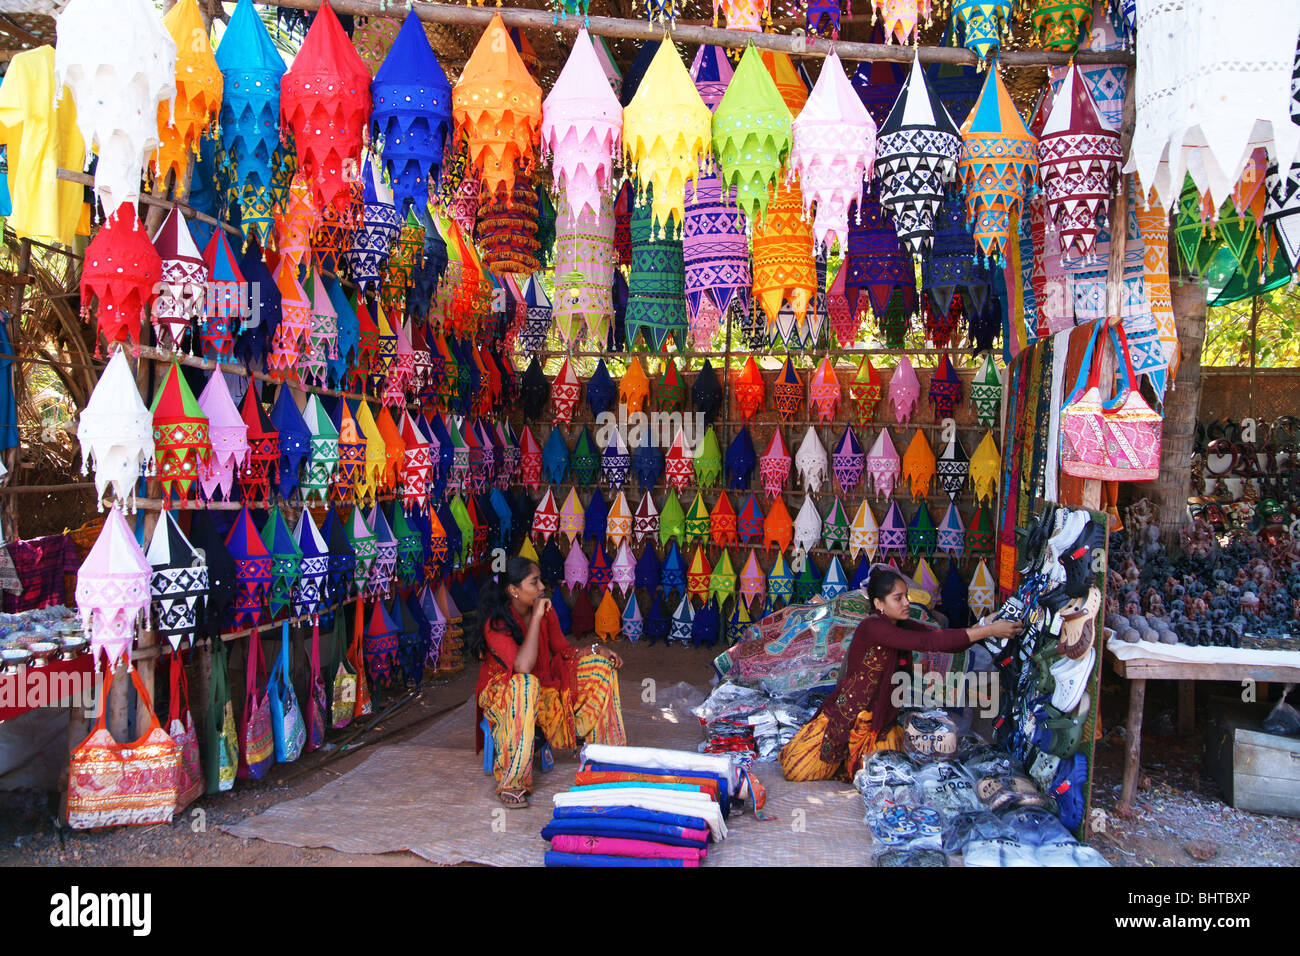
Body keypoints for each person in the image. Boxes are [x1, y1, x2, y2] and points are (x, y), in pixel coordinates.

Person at [780, 568, 1022, 783]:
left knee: (885, 777)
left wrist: (983, 626)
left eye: (907, 596)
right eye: (899, 598)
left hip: (878, 721)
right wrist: (988, 630)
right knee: (798, 770)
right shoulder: (873, 627)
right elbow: (927, 641)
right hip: (847, 714)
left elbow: (940, 639)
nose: (906, 602)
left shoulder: (899, 625)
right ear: (879, 604)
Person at [470, 557, 627, 808]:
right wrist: (535, 619)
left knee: (600, 668)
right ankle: (514, 783)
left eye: (540, 580)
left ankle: (604, 762)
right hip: (505, 695)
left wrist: (597, 650)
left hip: (541, 688)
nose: (542, 586)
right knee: (526, 685)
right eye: (534, 583)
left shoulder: (545, 610)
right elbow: (522, 668)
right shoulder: (496, 624)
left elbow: (563, 651)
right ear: (514, 590)